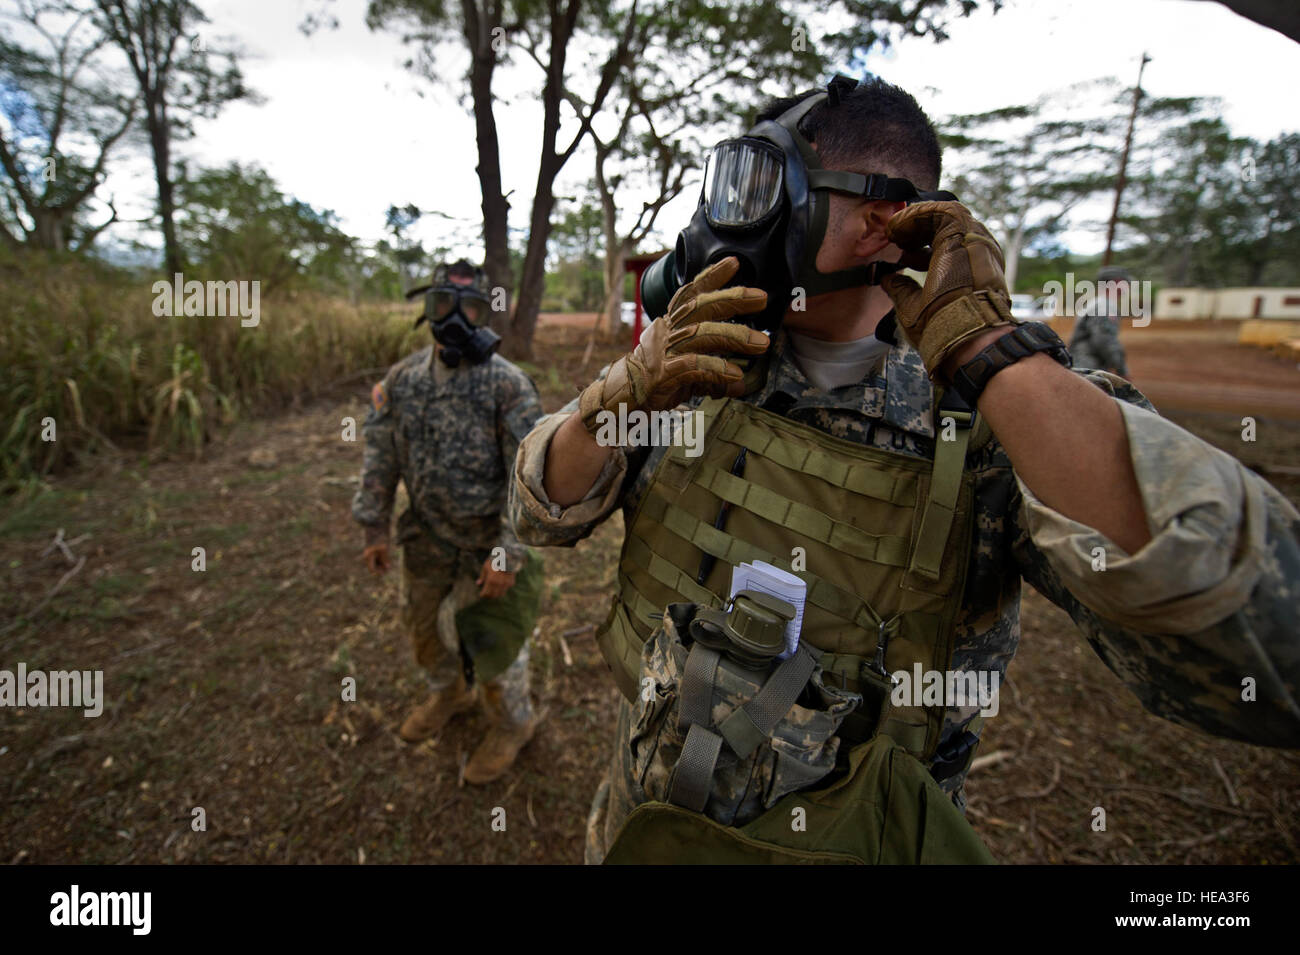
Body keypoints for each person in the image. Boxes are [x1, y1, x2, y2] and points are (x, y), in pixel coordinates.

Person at [507, 77, 1300, 863]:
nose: (728, 221)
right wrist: (627, 389)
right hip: (644, 813)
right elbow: (539, 511)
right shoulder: (697, 359)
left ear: (880, 225)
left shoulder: (995, 416)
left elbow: (1264, 646)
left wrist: (994, 359)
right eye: (726, 187)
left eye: (763, 190)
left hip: (854, 837)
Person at [353, 259, 545, 785]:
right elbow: (380, 457)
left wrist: (506, 554)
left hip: (488, 545)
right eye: (444, 304)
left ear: (485, 313)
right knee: (421, 630)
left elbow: (528, 478)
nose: (455, 318)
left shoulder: (507, 385)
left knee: (494, 643)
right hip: (427, 539)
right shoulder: (403, 381)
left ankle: (513, 724)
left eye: (470, 306)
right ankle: (448, 692)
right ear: (428, 310)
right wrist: (373, 527)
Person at [1068, 265, 1132, 377]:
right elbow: (1104, 340)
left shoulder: (1096, 303)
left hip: (1081, 363)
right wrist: (1121, 369)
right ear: (1116, 282)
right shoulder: (1105, 307)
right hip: (1089, 366)